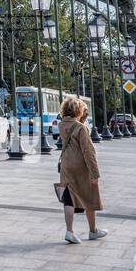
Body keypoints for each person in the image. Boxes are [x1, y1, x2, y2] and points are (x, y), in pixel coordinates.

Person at [55, 94, 106, 244]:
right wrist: (94, 173)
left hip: (66, 164)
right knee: (89, 196)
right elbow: (88, 152)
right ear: (79, 111)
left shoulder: (61, 125)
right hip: (80, 165)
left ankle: (69, 231)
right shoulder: (81, 128)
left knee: (68, 199)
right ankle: (93, 231)